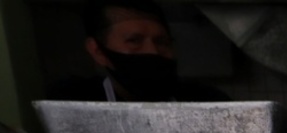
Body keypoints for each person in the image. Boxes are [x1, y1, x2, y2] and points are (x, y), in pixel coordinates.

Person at [48, 0, 225, 102]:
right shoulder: (72, 101)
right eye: (134, 41)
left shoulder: (207, 100)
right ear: (97, 51)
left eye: (161, 41)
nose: (153, 52)